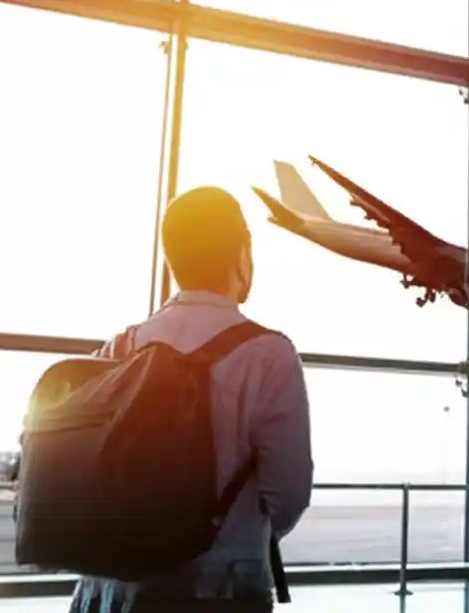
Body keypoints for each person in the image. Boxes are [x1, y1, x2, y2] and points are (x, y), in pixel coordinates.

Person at [70, 186, 313, 613]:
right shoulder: (269, 354)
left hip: (107, 592)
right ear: (242, 255)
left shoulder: (119, 347)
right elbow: (288, 494)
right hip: (215, 589)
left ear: (171, 259)